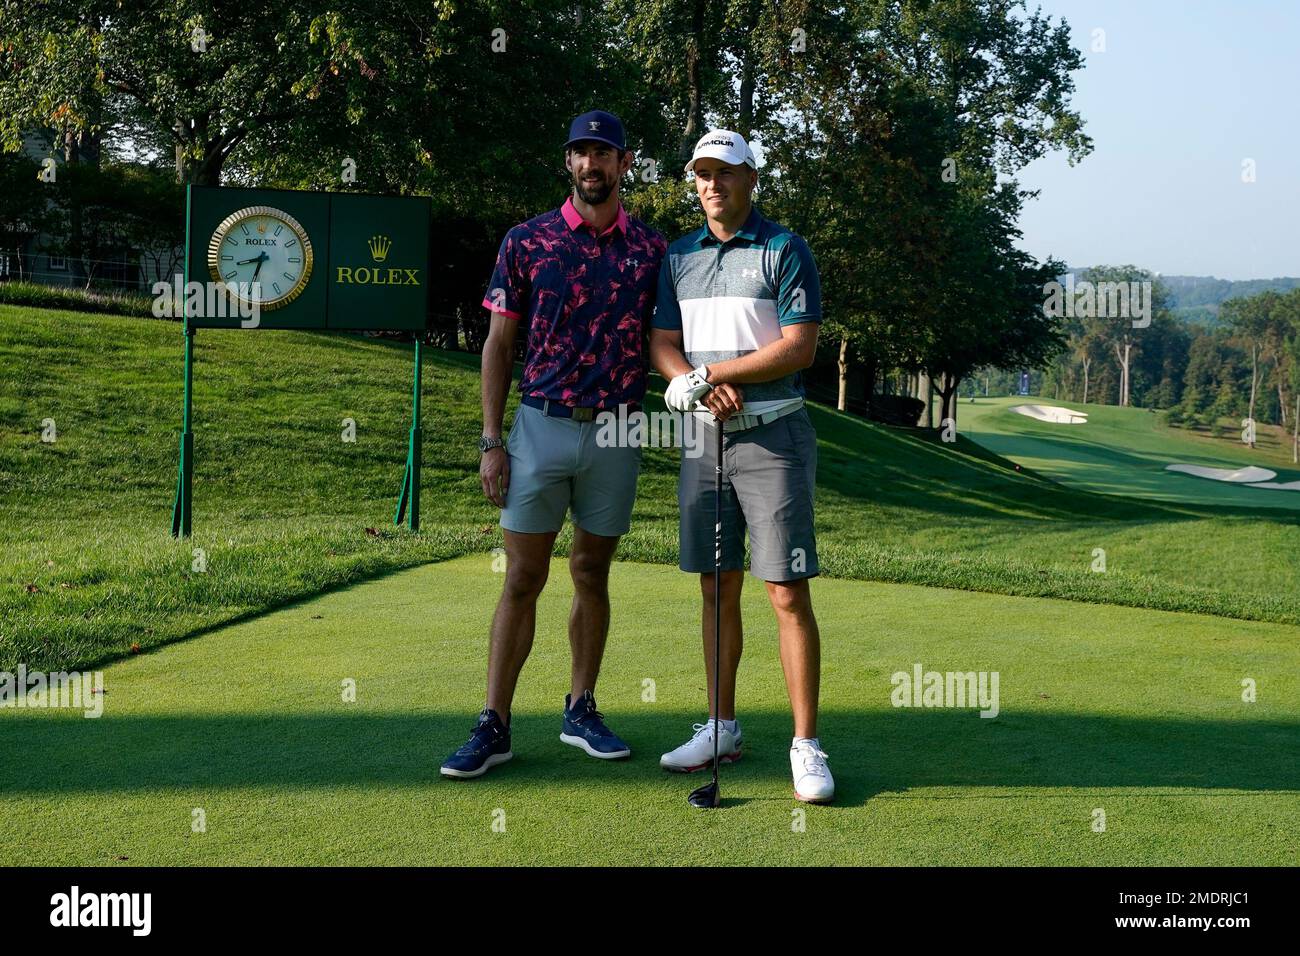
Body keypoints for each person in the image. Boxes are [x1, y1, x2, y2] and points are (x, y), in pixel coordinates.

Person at [440, 110, 667, 779]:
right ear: (567, 164)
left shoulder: (652, 251)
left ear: (625, 165)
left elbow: (665, 343)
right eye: (581, 154)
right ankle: (495, 723)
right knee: (523, 577)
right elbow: (498, 344)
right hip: (539, 424)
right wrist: (491, 440)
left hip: (618, 427)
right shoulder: (526, 241)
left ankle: (581, 707)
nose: (592, 165)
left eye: (605, 154)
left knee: (592, 572)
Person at [649, 128, 833, 803]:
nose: (712, 185)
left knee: (785, 591)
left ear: (751, 179)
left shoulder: (784, 249)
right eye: (702, 174)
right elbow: (662, 341)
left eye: (725, 173)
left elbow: (798, 347)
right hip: (705, 441)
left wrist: (711, 373)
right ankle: (722, 725)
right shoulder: (677, 257)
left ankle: (806, 745)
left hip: (775, 438)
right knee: (715, 588)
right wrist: (692, 381)